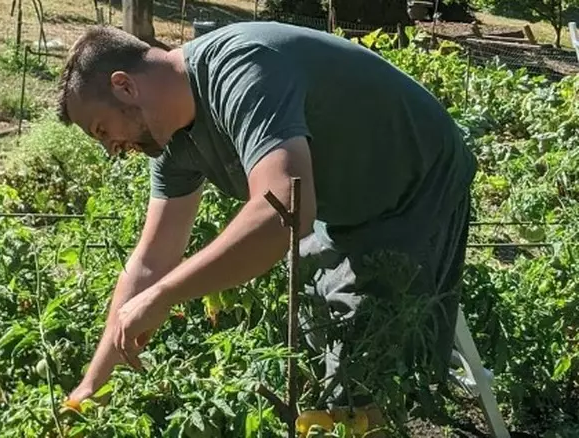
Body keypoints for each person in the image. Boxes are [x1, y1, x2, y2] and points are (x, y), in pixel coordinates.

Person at [55, 20, 477, 433]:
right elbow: (150, 261)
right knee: (314, 325)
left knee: (364, 348)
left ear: (125, 86)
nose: (112, 149)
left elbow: (284, 213)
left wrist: (166, 294)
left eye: (102, 130)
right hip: (346, 203)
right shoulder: (172, 145)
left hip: (418, 181)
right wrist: (93, 385)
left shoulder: (242, 69)